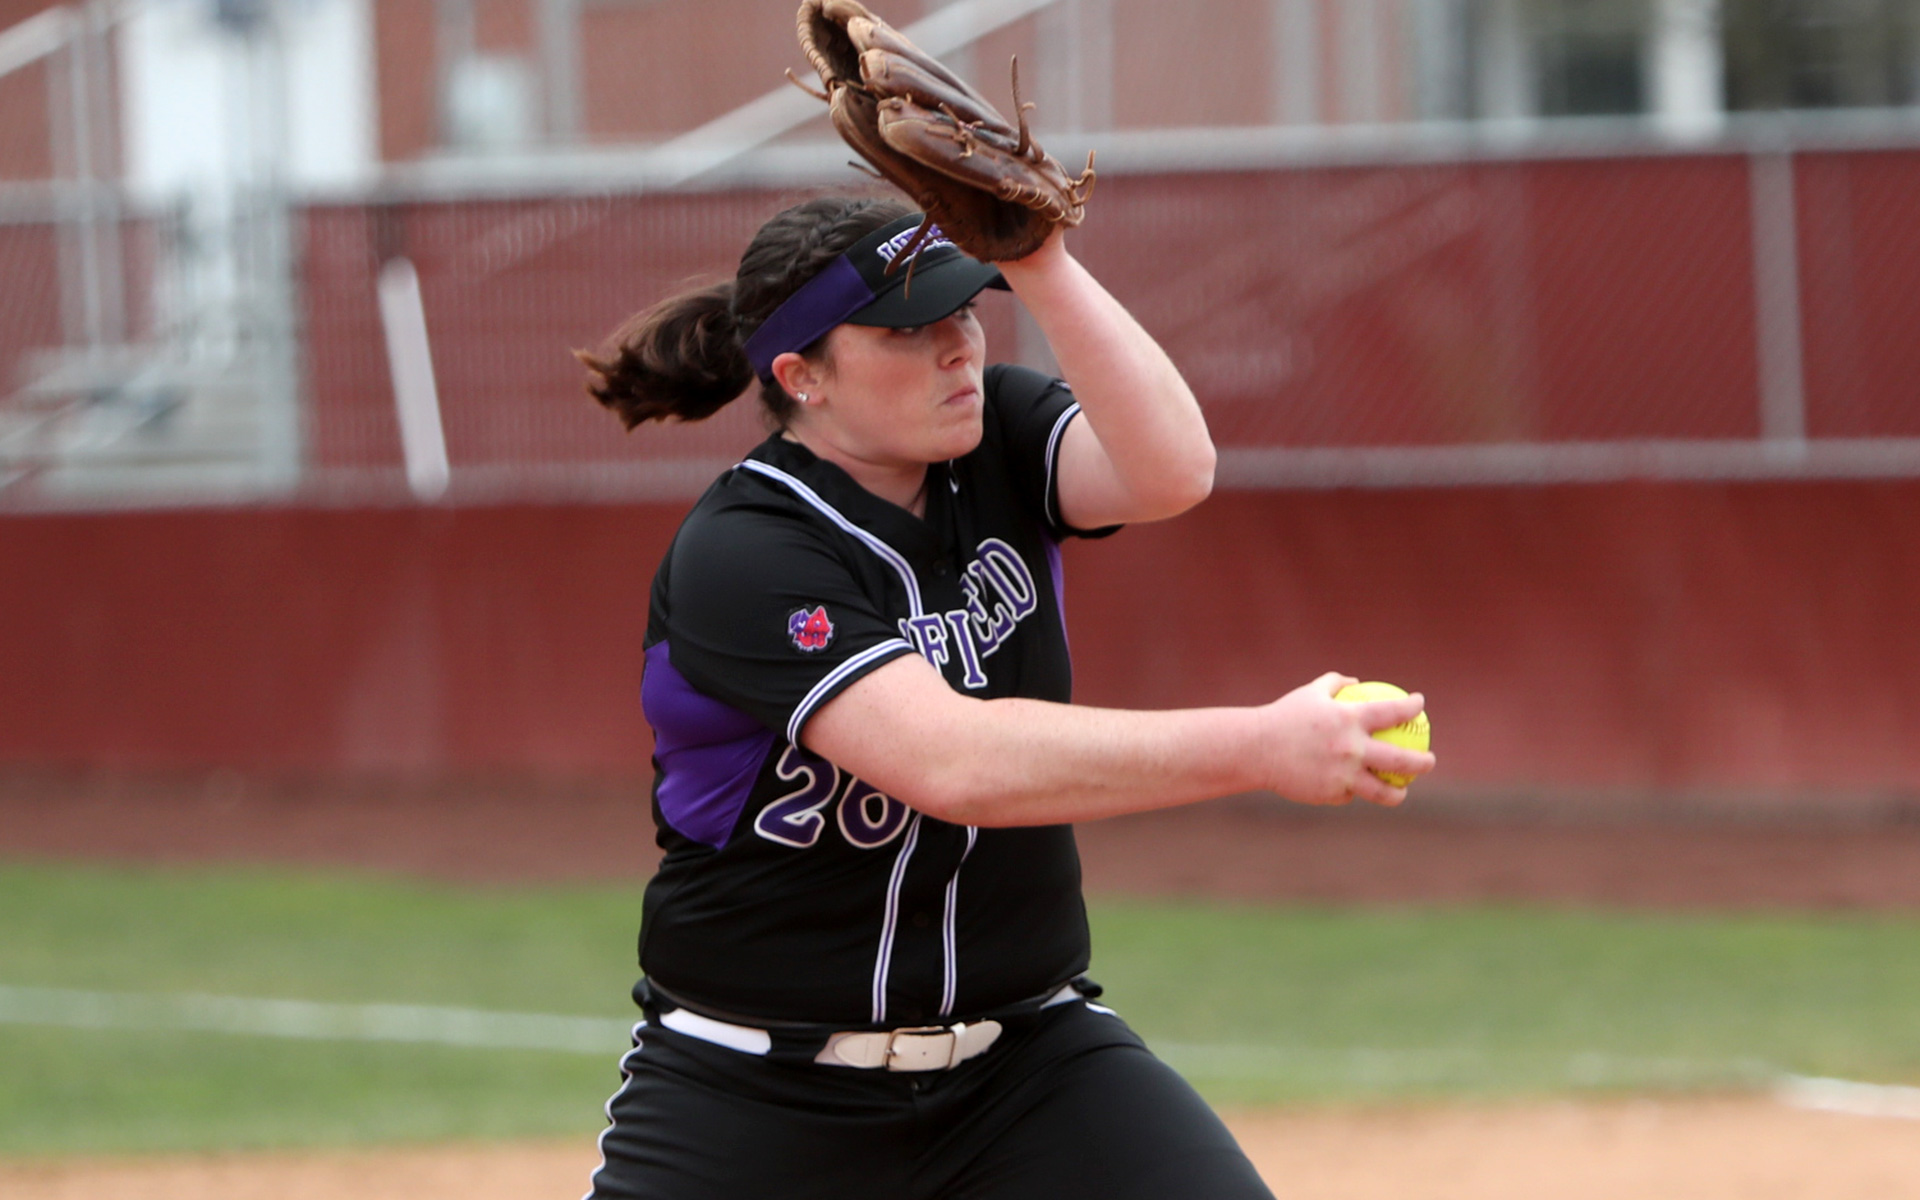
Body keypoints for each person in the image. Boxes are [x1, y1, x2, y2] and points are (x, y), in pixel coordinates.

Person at [574, 194, 1434, 1200]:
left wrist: (1043, 263)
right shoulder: (743, 553)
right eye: (908, 331)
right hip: (756, 1097)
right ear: (801, 377)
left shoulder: (1001, 441)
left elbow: (1174, 470)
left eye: (965, 311)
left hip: (1027, 1068)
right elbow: (957, 764)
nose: (958, 349)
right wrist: (1259, 746)